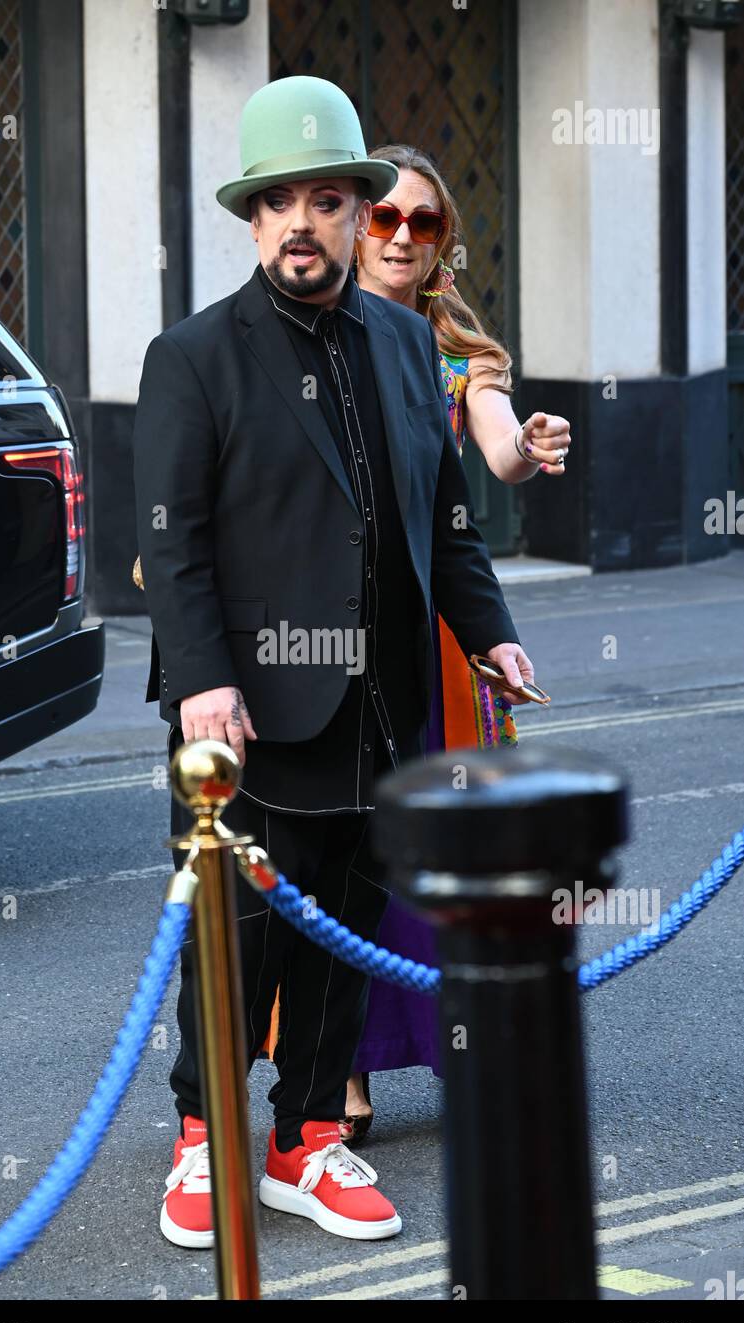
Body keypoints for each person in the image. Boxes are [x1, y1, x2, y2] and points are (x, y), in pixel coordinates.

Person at [132, 75, 538, 1250]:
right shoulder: (193, 355)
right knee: (236, 935)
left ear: (361, 213)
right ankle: (205, 1137)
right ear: (252, 222)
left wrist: (491, 631)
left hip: (379, 700)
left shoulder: (411, 347)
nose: (304, 223)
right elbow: (172, 542)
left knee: (341, 930)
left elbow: (443, 518)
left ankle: (307, 1140)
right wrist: (204, 680)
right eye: (281, 204)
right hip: (243, 712)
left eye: (329, 199)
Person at [339, 144, 572, 1141]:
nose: (398, 236)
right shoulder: (304, 336)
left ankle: (467, 1042)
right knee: (344, 848)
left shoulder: (456, 359)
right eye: (382, 217)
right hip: (329, 635)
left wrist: (527, 446)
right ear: (351, 227)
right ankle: (338, 1073)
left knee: (448, 856)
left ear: (443, 245)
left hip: (436, 644)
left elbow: (499, 449)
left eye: (421, 223)